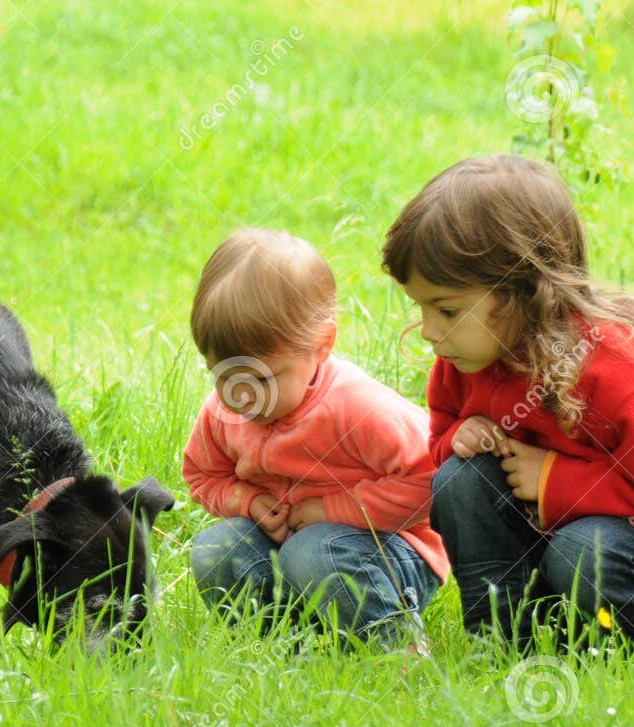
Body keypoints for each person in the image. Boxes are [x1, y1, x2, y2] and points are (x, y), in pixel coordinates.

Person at [382, 154, 634, 644]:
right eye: (422, 307)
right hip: (564, 520)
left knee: (583, 552)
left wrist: (555, 480)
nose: (429, 331)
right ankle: (503, 638)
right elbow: (441, 441)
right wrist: (458, 437)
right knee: (461, 480)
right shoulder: (468, 355)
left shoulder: (615, 362)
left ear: (521, 292)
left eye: (447, 310)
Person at [183, 228, 447, 647]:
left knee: (312, 551)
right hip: (290, 551)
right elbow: (203, 474)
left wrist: (331, 510)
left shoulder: (357, 408)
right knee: (217, 548)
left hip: (385, 553)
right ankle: (285, 647)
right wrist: (246, 502)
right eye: (224, 376)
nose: (243, 396)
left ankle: (396, 644)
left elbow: (432, 479)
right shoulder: (223, 413)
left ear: (322, 345)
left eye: (263, 379)